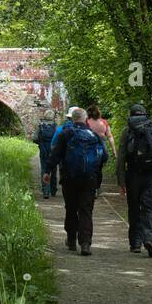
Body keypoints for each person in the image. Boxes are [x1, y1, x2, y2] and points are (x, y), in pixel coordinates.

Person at [115, 103, 152, 257]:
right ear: (145, 114)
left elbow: (121, 158)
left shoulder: (127, 132)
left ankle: (135, 243)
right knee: (150, 208)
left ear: (131, 115)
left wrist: (121, 182)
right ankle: (149, 239)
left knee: (134, 209)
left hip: (133, 175)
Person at [50, 107, 107, 256]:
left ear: (72, 119)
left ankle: (71, 240)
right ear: (85, 119)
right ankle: (86, 243)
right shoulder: (94, 135)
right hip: (89, 179)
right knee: (86, 210)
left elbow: (55, 154)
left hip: (69, 178)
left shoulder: (66, 133)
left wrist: (47, 171)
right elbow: (104, 156)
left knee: (71, 208)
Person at [85, 103, 115, 197]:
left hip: (88, 149)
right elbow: (110, 137)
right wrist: (114, 150)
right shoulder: (104, 122)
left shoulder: (86, 122)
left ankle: (90, 187)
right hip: (101, 149)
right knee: (99, 169)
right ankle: (97, 187)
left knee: (88, 168)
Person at [32, 109, 60, 198]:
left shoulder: (40, 126)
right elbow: (59, 139)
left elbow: (35, 138)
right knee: (54, 170)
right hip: (53, 151)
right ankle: (53, 190)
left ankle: (45, 191)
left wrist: (41, 143)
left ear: (45, 116)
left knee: (44, 170)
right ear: (53, 117)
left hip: (43, 151)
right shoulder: (56, 126)